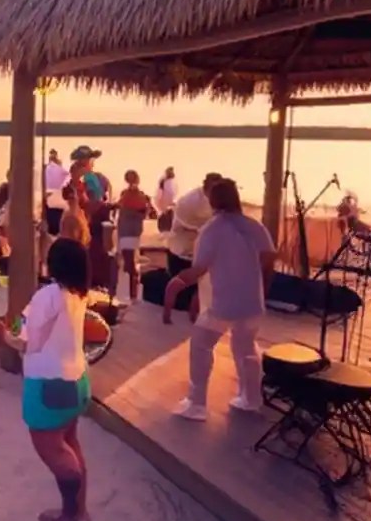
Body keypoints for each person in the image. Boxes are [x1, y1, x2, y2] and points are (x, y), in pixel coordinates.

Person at [0, 238, 92, 521]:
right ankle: (80, 509)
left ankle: (70, 517)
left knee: (53, 451)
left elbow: (26, 342)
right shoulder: (78, 294)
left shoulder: (48, 295)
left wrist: (2, 332)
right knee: (70, 443)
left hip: (50, 385)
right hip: (77, 381)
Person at [163, 179, 276, 419]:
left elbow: (199, 269)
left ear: (213, 201)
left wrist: (175, 285)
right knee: (246, 349)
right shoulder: (254, 226)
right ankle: (251, 399)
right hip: (252, 302)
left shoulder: (212, 230)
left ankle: (196, 404)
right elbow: (268, 259)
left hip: (223, 303)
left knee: (201, 345)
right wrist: (262, 289)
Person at [166, 173, 223, 322]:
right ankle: (169, 314)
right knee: (181, 286)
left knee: (199, 289)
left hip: (201, 253)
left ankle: (191, 315)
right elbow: (188, 224)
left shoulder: (217, 201)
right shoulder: (189, 201)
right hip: (183, 252)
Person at [116, 171, 152, 302]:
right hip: (134, 232)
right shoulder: (141, 197)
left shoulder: (125, 196)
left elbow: (121, 216)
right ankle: (133, 294)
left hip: (126, 232)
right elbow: (146, 213)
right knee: (130, 263)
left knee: (129, 264)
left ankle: (132, 294)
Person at [43, 149, 70, 237]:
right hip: (57, 202)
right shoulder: (57, 168)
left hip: (51, 201)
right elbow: (68, 176)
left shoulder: (47, 168)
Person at [155, 167, 178, 232]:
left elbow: (158, 197)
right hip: (167, 210)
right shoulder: (169, 183)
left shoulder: (165, 183)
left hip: (166, 210)